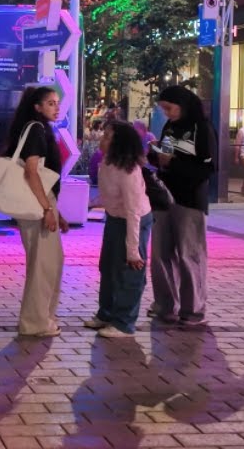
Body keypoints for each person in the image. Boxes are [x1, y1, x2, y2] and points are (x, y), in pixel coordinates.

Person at [2, 86, 68, 337]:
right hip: (37, 203)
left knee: (47, 263)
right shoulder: (36, 130)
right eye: (50, 103)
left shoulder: (36, 129)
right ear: (37, 107)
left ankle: (41, 318)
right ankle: (36, 322)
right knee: (44, 265)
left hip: (40, 201)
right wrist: (47, 208)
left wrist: (55, 210)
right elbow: (32, 171)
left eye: (57, 102)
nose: (56, 107)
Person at [148, 85, 214, 326]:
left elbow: (208, 168)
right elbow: (164, 156)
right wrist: (155, 153)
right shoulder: (170, 126)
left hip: (190, 199)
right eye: (163, 109)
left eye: (169, 108)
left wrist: (173, 162)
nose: (167, 113)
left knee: (189, 254)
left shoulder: (202, 128)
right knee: (160, 254)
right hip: (164, 197)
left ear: (182, 104)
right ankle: (166, 305)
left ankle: (193, 309)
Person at [83, 120, 151, 339]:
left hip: (134, 221)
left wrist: (133, 251)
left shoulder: (129, 171)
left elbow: (133, 212)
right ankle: (107, 313)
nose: (101, 140)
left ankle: (124, 323)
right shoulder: (106, 161)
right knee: (108, 266)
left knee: (130, 270)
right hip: (114, 218)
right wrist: (90, 203)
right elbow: (108, 194)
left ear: (118, 143)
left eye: (107, 137)